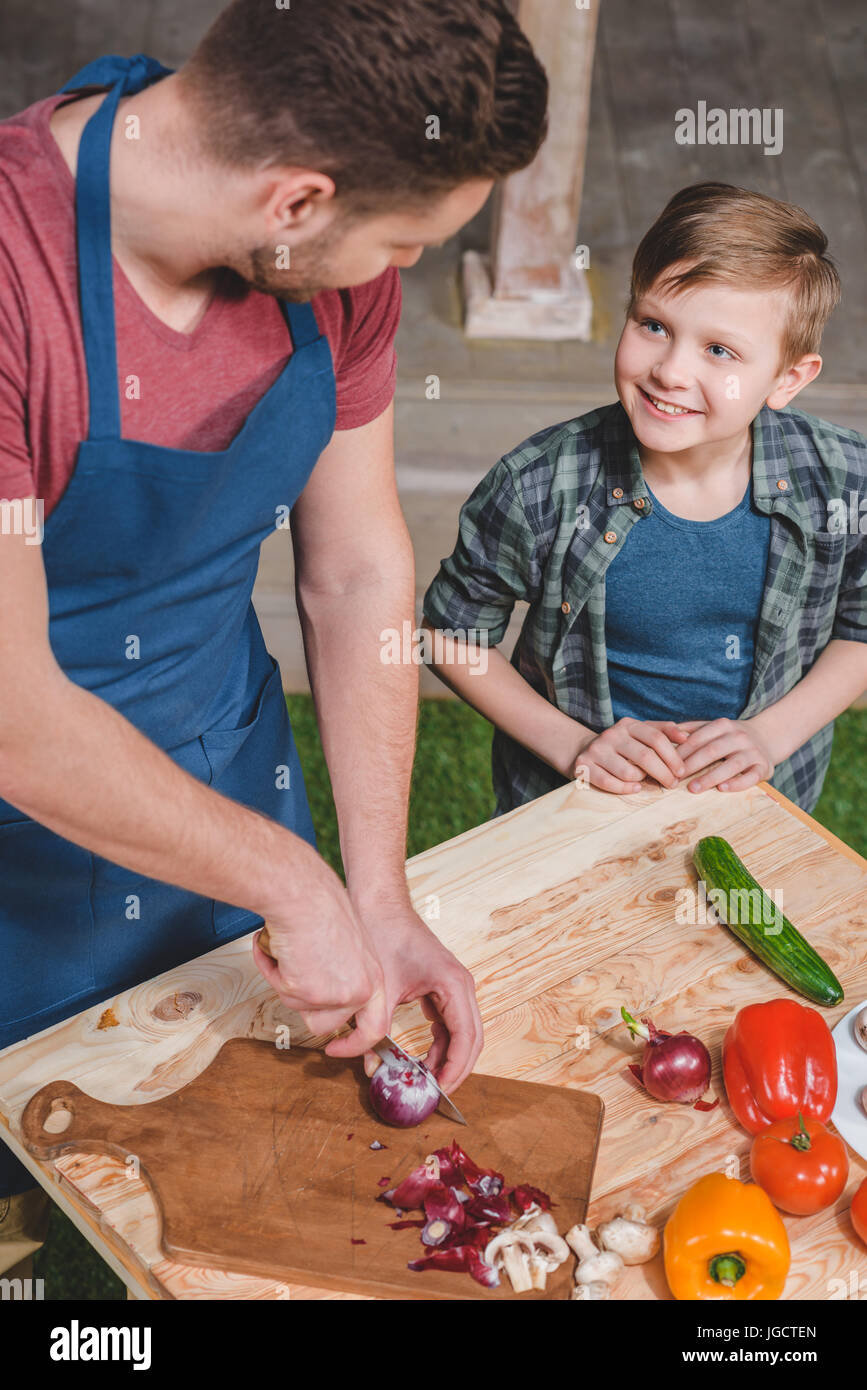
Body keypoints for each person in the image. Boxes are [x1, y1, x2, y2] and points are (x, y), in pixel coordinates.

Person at [0, 0, 548, 1281]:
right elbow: (14, 715)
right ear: (297, 203)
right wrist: (294, 883)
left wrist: (372, 885)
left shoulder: (326, 274)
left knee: (214, 1190)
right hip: (15, 853)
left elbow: (356, 571)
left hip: (227, 767)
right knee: (44, 1198)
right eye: (403, 241)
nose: (398, 271)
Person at [422, 183, 867, 818]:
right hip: (573, 801)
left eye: (719, 350)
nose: (670, 370)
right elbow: (449, 634)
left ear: (787, 378)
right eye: (654, 325)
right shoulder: (540, 484)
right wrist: (575, 745)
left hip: (761, 798)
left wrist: (770, 736)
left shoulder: (845, 481)